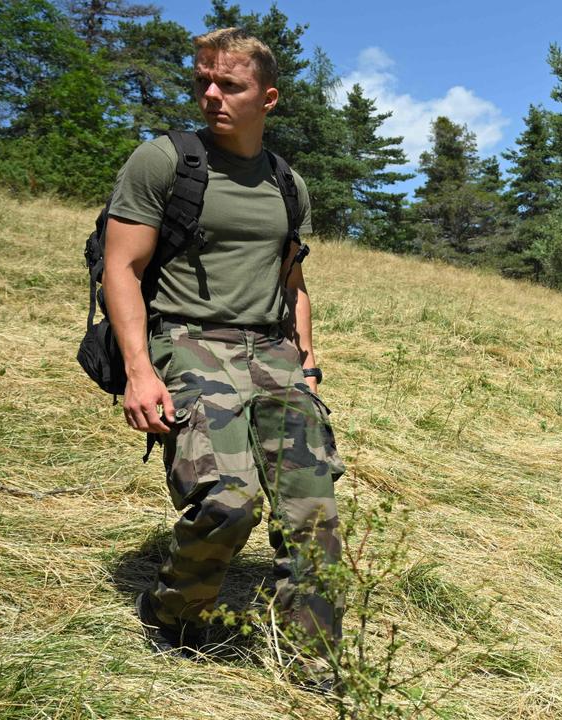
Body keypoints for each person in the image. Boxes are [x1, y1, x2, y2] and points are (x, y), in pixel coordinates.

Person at [103, 28, 343, 677]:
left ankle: (313, 669)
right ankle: (176, 612)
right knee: (228, 501)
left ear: (267, 97)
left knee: (314, 514)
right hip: (188, 341)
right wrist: (139, 371)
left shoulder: (288, 185)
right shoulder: (164, 163)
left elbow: (292, 285)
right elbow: (120, 269)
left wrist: (309, 364)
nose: (211, 95)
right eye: (202, 81)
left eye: (228, 84)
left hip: (273, 353)